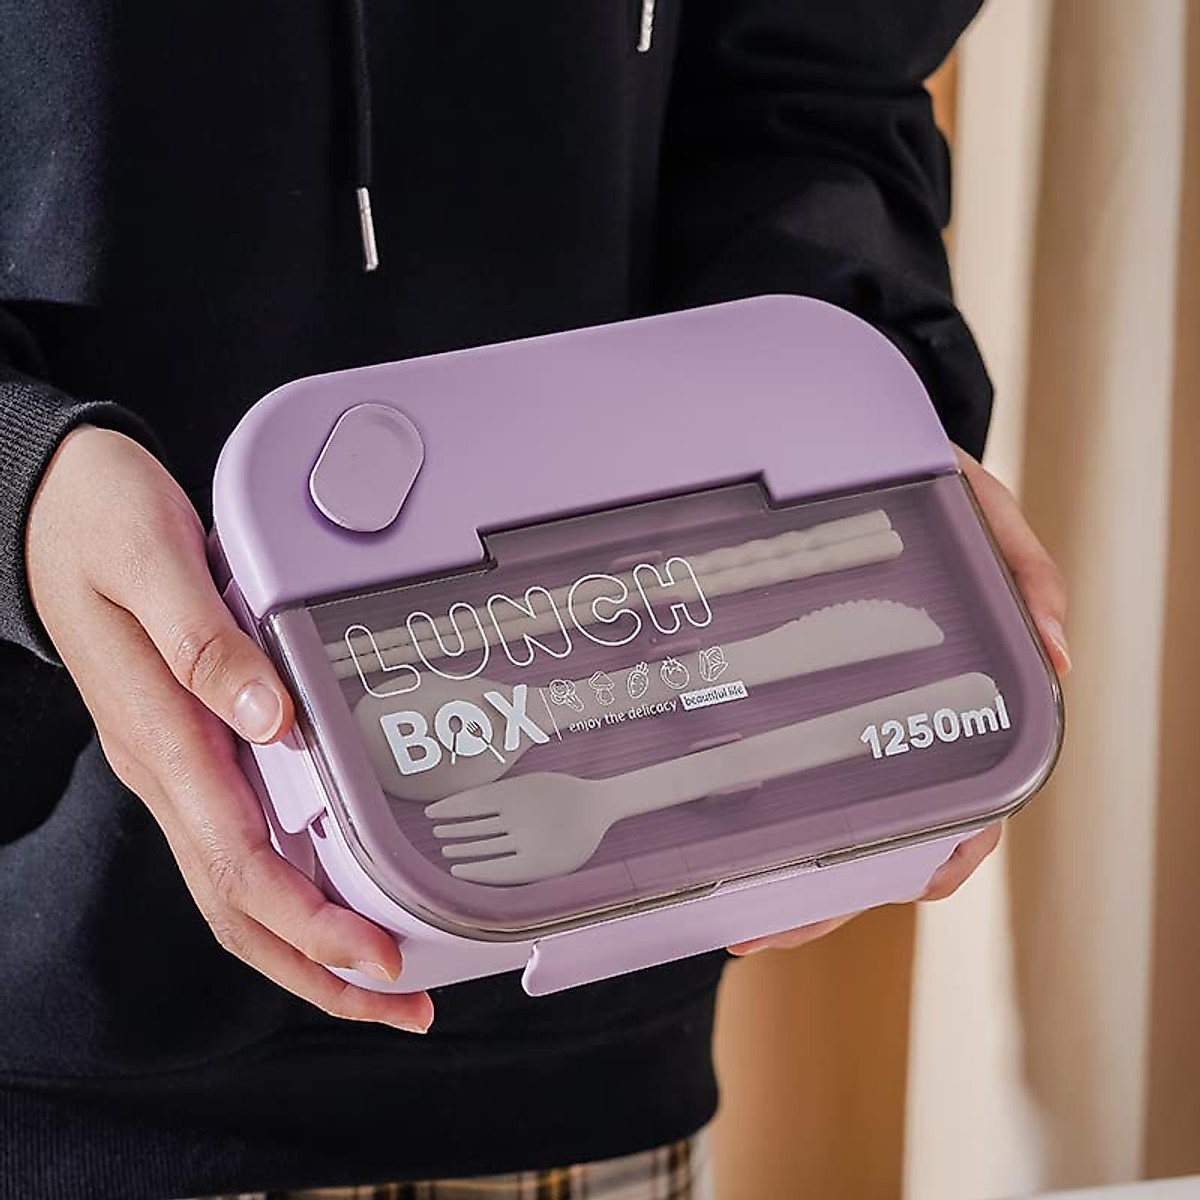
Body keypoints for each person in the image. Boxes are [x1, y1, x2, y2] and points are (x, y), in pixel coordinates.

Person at [0, 2, 1070, 1197]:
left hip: (593, 1042)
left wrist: (843, 422)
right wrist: (18, 483)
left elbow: (815, 85)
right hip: (48, 1033)